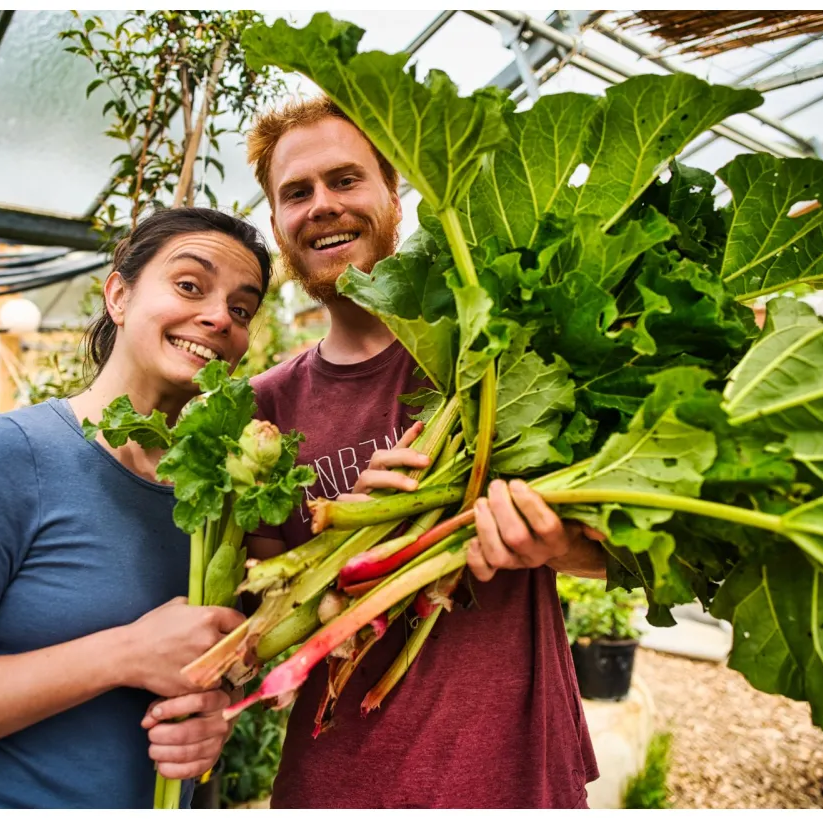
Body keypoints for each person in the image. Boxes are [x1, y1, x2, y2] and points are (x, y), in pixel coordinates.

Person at [0, 208, 274, 808]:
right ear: (118, 294)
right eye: (190, 285)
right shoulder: (9, 456)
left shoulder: (217, 498)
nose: (219, 316)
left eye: (242, 308)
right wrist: (126, 654)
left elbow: (194, 672)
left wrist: (210, 717)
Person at [242, 97, 608, 809]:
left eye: (345, 180)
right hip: (340, 782)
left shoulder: (499, 351)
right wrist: (340, 536)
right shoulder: (264, 407)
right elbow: (257, 603)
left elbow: (614, 551)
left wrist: (551, 543)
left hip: (516, 775)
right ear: (279, 223)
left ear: (394, 197)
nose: (323, 205)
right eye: (297, 192)